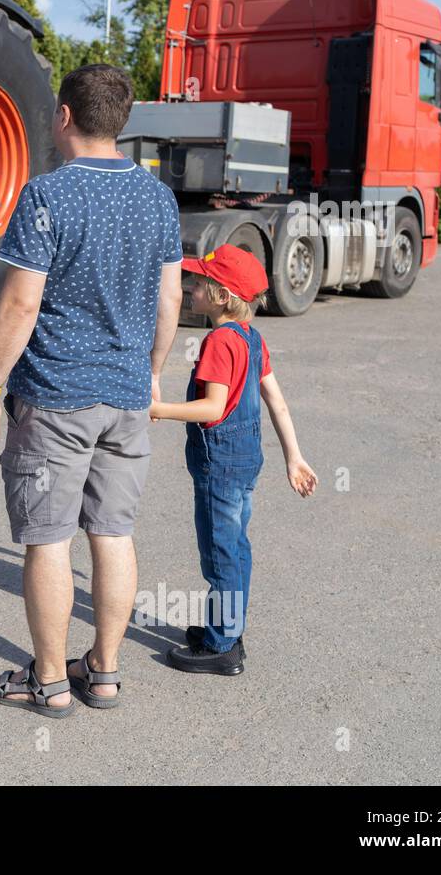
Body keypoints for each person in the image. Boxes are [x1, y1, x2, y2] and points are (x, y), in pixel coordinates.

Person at [0, 64, 183, 717]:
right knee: (113, 534)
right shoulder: (159, 198)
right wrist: (151, 369)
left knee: (50, 540)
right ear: (121, 122)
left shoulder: (45, 197)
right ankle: (106, 673)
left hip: (56, 396)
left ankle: (50, 684)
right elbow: (170, 295)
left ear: (64, 117)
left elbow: (20, 305)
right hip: (125, 396)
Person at [148, 245, 318, 675]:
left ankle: (222, 647)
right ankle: (226, 627)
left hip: (219, 464)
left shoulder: (218, 342)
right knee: (237, 547)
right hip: (246, 461)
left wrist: (158, 409)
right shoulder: (253, 339)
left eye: (199, 283)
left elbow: (212, 408)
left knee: (219, 553)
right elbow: (276, 402)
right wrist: (293, 457)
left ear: (222, 296)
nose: (189, 287)